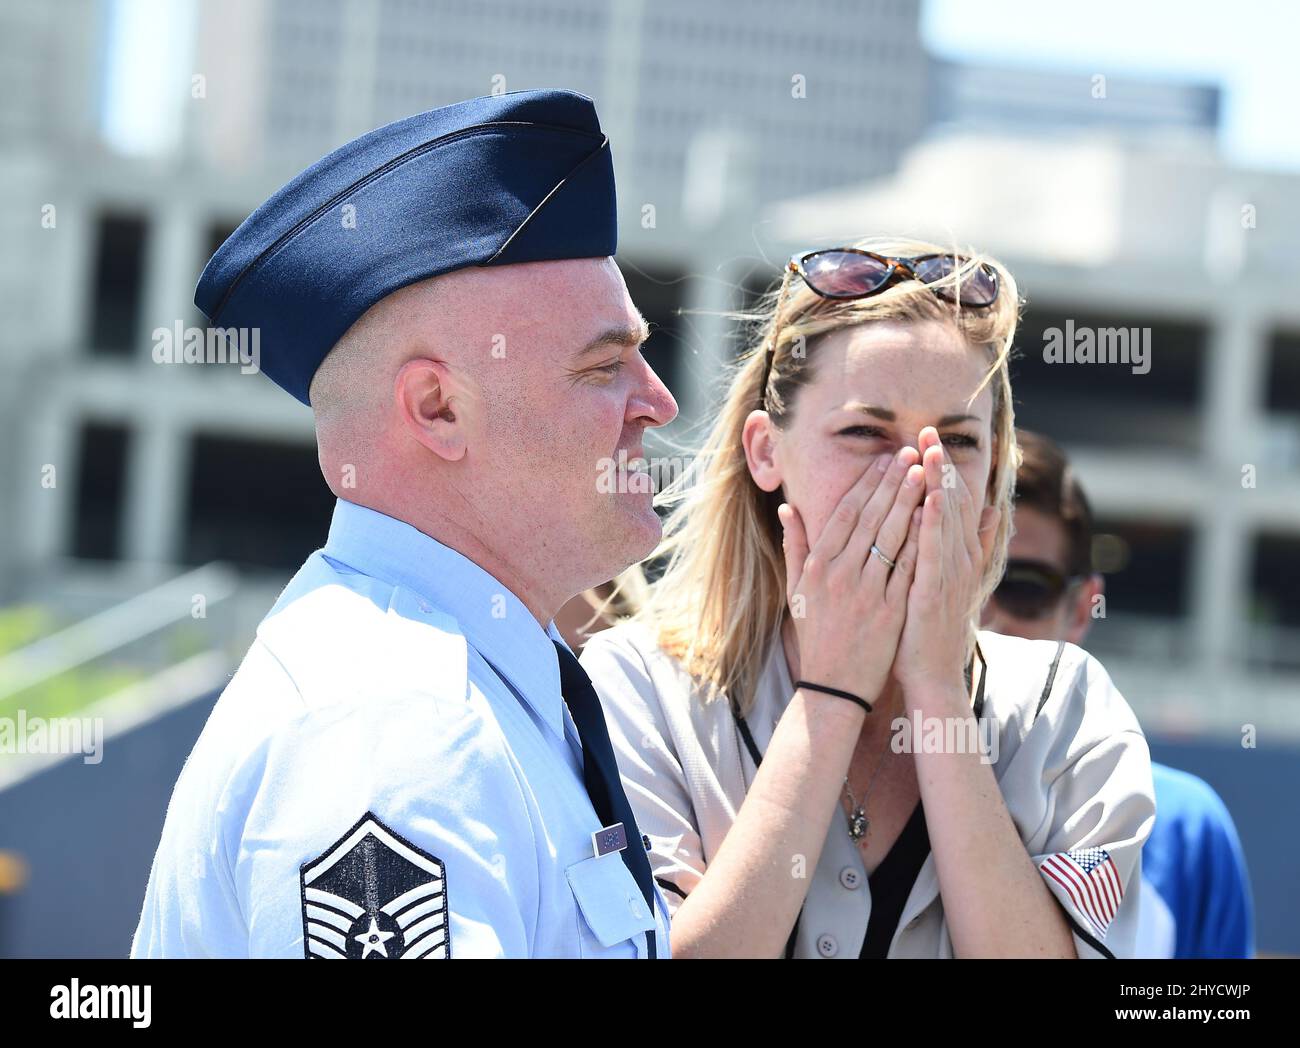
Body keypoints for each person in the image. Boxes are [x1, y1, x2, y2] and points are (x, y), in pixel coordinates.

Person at [130, 89, 679, 959]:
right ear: (437, 408)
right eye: (605, 365)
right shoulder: (395, 724)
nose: (657, 401)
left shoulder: (458, 688)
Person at [579, 237, 1156, 958]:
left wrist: (939, 691)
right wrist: (830, 692)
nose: (916, 477)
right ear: (767, 453)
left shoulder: (1064, 708)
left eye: (958, 442)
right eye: (864, 433)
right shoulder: (632, 689)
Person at [982, 429, 1255, 959]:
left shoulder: (1184, 831)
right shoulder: (852, 795)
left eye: (1024, 585)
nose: (986, 618)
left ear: (1083, 608)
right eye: (963, 580)